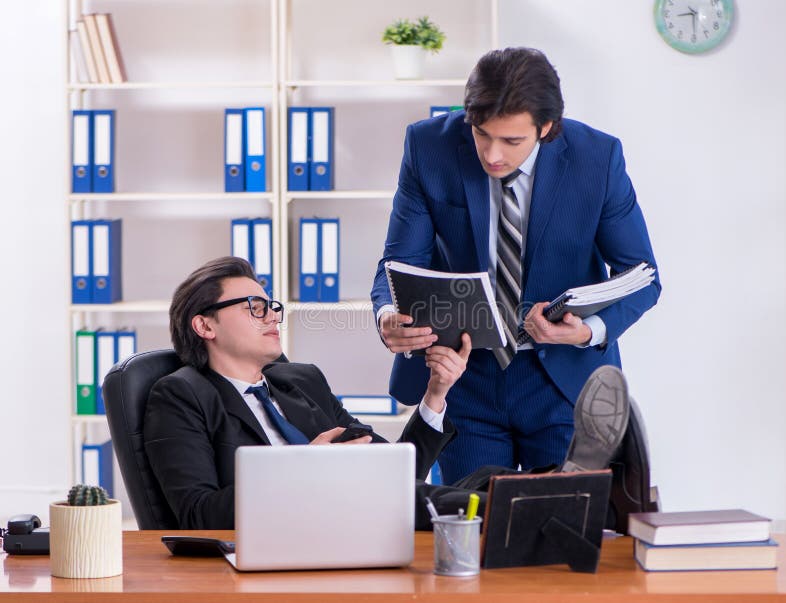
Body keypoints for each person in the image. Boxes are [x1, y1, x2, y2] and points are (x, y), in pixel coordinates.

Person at [371, 47, 660, 484]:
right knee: (468, 519)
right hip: (464, 376)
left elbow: (641, 277)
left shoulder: (597, 158)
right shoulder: (429, 146)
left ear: (546, 128)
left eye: (511, 141)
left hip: (563, 381)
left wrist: (587, 331)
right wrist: (388, 314)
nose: (492, 155)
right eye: (481, 134)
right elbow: (399, 261)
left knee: (565, 521)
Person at [143, 256, 476, 530]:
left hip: (362, 511)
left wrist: (436, 393)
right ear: (204, 326)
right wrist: (304, 466)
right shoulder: (180, 395)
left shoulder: (303, 380)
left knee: (487, 482)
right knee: (480, 506)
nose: (273, 316)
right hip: (303, 529)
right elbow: (198, 515)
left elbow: (396, 471)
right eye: (255, 307)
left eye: (271, 306)